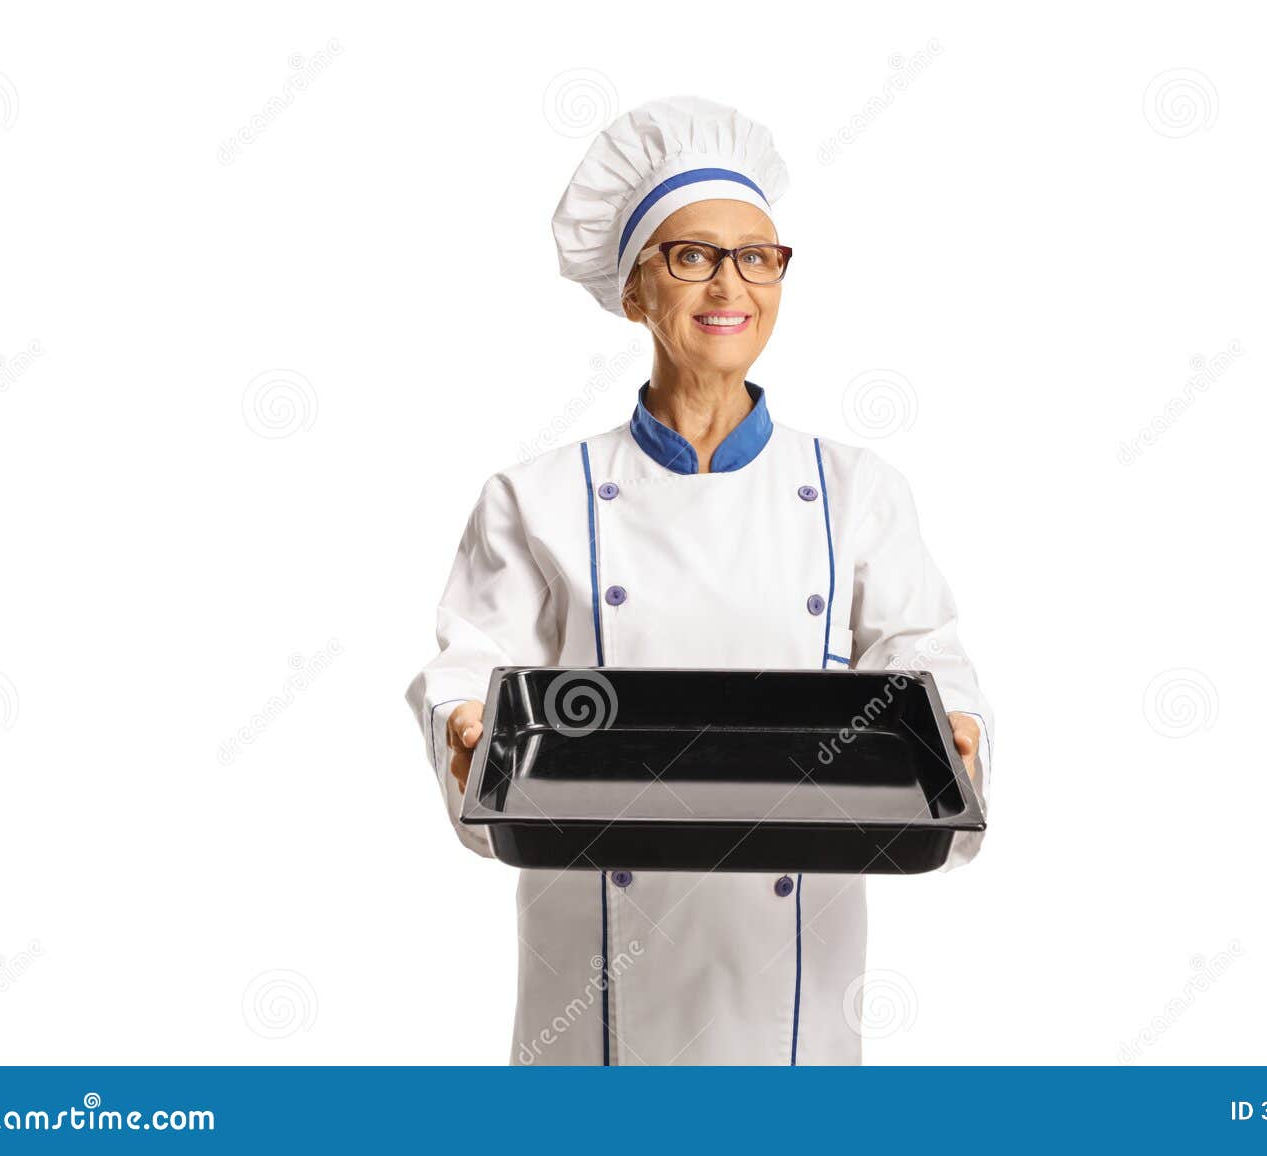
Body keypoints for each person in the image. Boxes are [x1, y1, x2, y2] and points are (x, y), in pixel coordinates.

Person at [405, 94, 993, 1065]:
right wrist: (465, 733)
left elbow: (929, 669)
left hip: (790, 1007)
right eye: (692, 256)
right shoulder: (536, 497)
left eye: (757, 256)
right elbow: (467, 671)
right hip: (595, 1006)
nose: (731, 283)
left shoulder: (858, 492)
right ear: (634, 292)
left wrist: (955, 734)